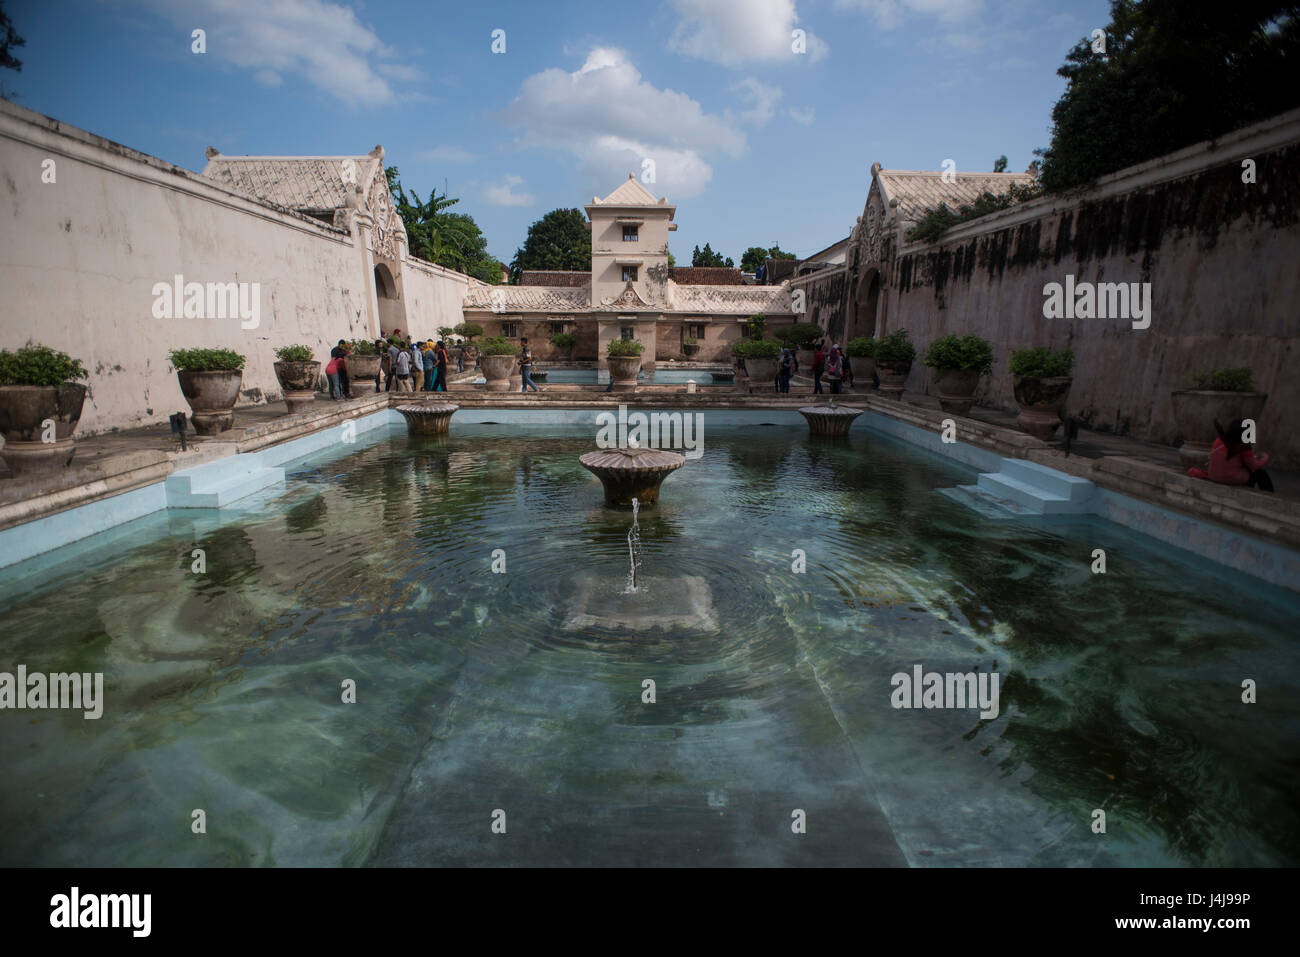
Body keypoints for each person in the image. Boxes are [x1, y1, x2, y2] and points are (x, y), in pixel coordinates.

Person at [1188, 419, 1273, 491]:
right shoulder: (1243, 446)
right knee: (1260, 473)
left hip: (1213, 476)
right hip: (1230, 478)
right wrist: (1265, 457)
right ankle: (1269, 495)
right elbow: (1254, 466)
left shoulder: (1218, 441)